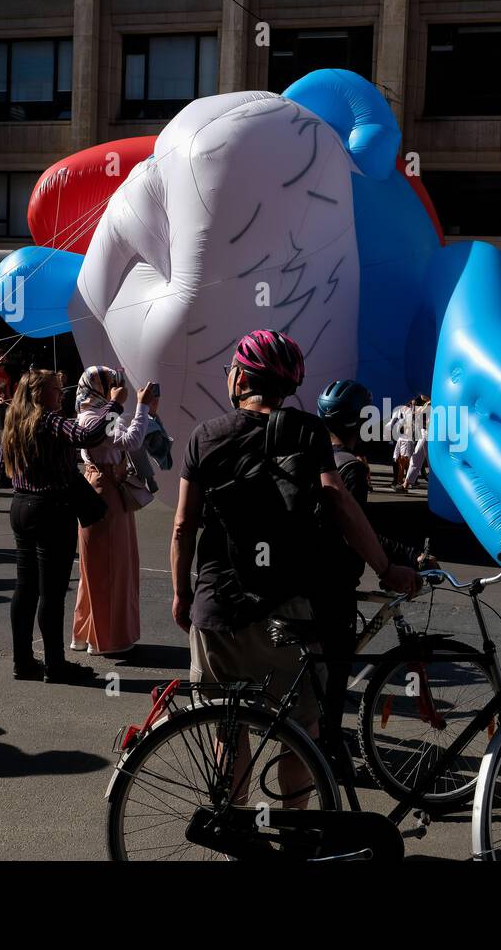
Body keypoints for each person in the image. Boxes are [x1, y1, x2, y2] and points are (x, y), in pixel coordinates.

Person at [170, 331, 419, 802]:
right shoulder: (306, 432)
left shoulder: (205, 436)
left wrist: (182, 594)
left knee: (229, 724)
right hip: (287, 609)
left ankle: (235, 832)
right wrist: (386, 566)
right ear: (286, 389)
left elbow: (183, 526)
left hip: (218, 603)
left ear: (240, 378)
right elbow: (339, 503)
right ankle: (293, 830)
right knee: (300, 727)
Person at [315, 378, 428, 738]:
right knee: (333, 675)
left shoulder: (312, 459)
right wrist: (404, 558)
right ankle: (326, 750)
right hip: (332, 586)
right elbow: (358, 530)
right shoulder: (352, 469)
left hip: (300, 580)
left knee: (313, 673)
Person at [4, 368, 122, 683]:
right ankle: (55, 664)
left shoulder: (14, 421)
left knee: (25, 587)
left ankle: (23, 661)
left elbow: (2, 476)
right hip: (50, 510)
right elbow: (87, 435)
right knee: (52, 592)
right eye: (56, 389)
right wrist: (114, 405)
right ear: (40, 394)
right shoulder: (48, 420)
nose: (62, 394)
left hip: (21, 506)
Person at [70, 367, 158, 656]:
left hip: (99, 484)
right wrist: (142, 406)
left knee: (95, 565)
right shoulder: (97, 415)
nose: (116, 388)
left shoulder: (91, 412)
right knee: (111, 563)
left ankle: (86, 634)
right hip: (107, 489)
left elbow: (124, 436)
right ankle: (105, 639)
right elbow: (131, 441)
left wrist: (141, 411)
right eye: (111, 383)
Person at [386, 397, 417, 491]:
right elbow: (392, 422)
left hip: (410, 437)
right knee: (397, 458)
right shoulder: (399, 409)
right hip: (399, 436)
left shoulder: (414, 409)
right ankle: (397, 480)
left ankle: (407, 480)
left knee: (408, 459)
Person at [403, 394, 431, 491]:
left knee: (418, 458)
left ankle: (407, 483)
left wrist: (413, 408)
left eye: (423, 393)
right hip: (425, 433)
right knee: (418, 458)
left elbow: (418, 414)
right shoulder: (427, 403)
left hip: (429, 434)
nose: (421, 395)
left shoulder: (431, 404)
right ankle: (407, 482)